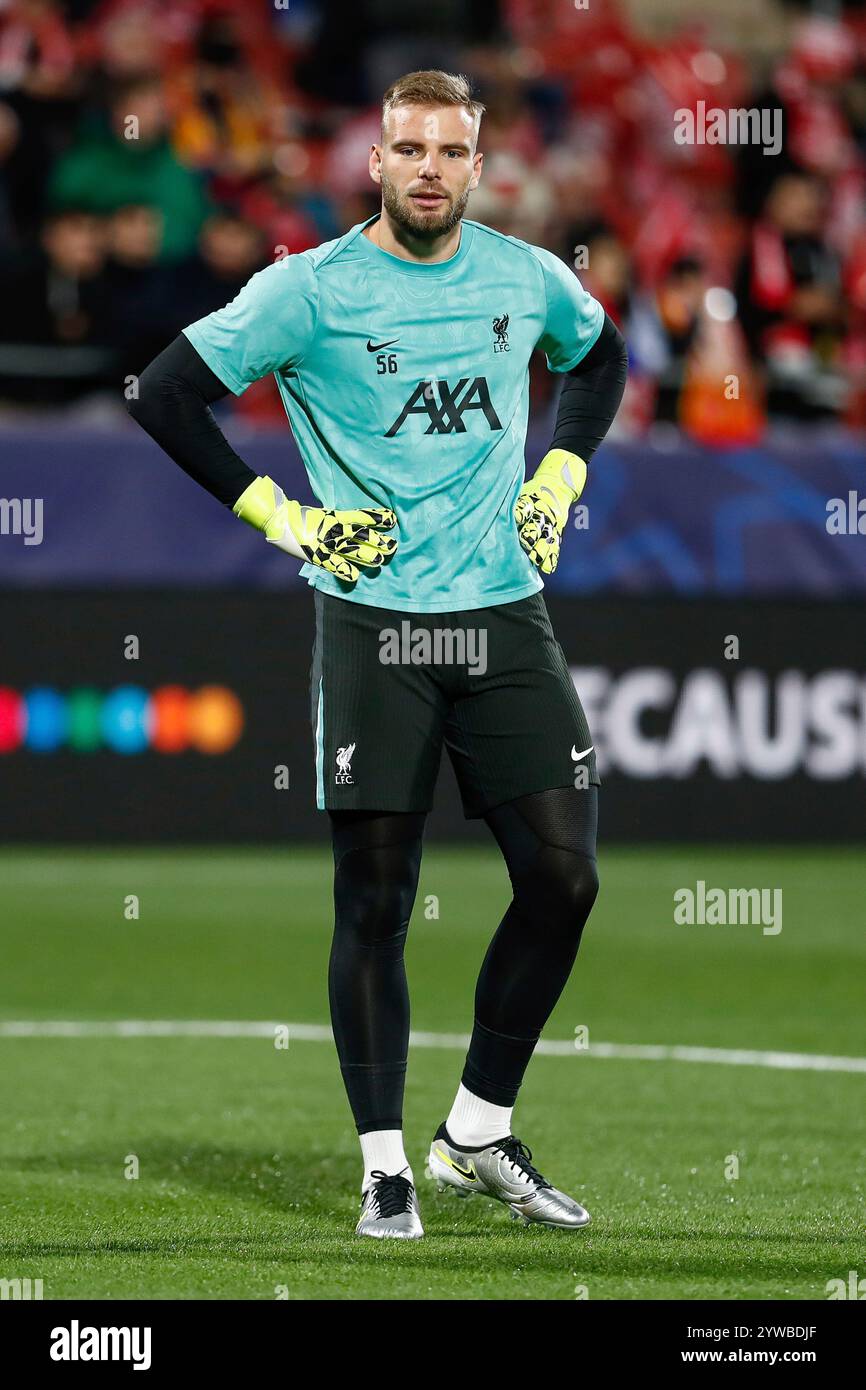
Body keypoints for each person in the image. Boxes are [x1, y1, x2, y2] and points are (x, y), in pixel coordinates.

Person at [129, 69, 627, 1239]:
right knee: (377, 903)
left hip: (504, 611)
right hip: (374, 619)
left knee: (563, 877)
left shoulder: (523, 274)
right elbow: (162, 394)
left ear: (476, 162)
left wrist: (561, 471)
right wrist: (283, 518)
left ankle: (474, 1133)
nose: (429, 171)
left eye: (450, 152)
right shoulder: (308, 291)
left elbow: (597, 359)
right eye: (408, 149)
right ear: (375, 161)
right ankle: (382, 1163)